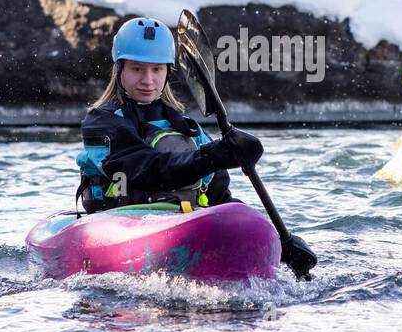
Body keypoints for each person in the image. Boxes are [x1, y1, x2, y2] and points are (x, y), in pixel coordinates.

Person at [76, 16, 264, 213]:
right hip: (119, 221)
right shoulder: (102, 122)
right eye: (137, 69)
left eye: (157, 69)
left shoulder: (187, 128)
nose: (148, 80)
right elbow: (144, 169)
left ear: (167, 72)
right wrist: (212, 156)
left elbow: (219, 197)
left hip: (182, 221)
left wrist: (268, 232)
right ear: (119, 69)